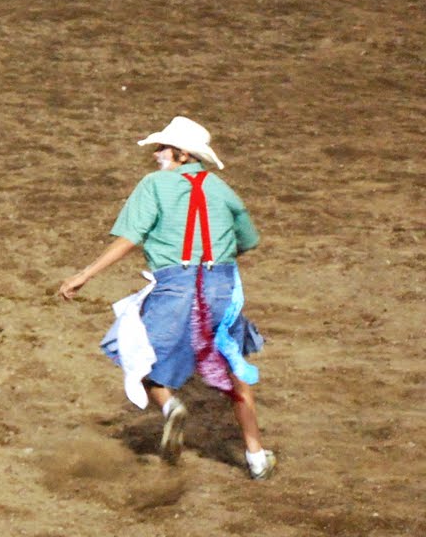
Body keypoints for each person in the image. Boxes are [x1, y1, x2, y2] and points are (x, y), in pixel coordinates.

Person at [57, 116, 276, 481]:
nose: (156, 154)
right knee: (235, 374)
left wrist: (85, 274)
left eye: (162, 148)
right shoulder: (222, 189)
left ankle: (171, 405)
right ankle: (256, 456)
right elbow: (248, 240)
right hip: (223, 287)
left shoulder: (154, 185)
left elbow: (130, 238)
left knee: (134, 349)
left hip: (178, 286)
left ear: (183, 154)